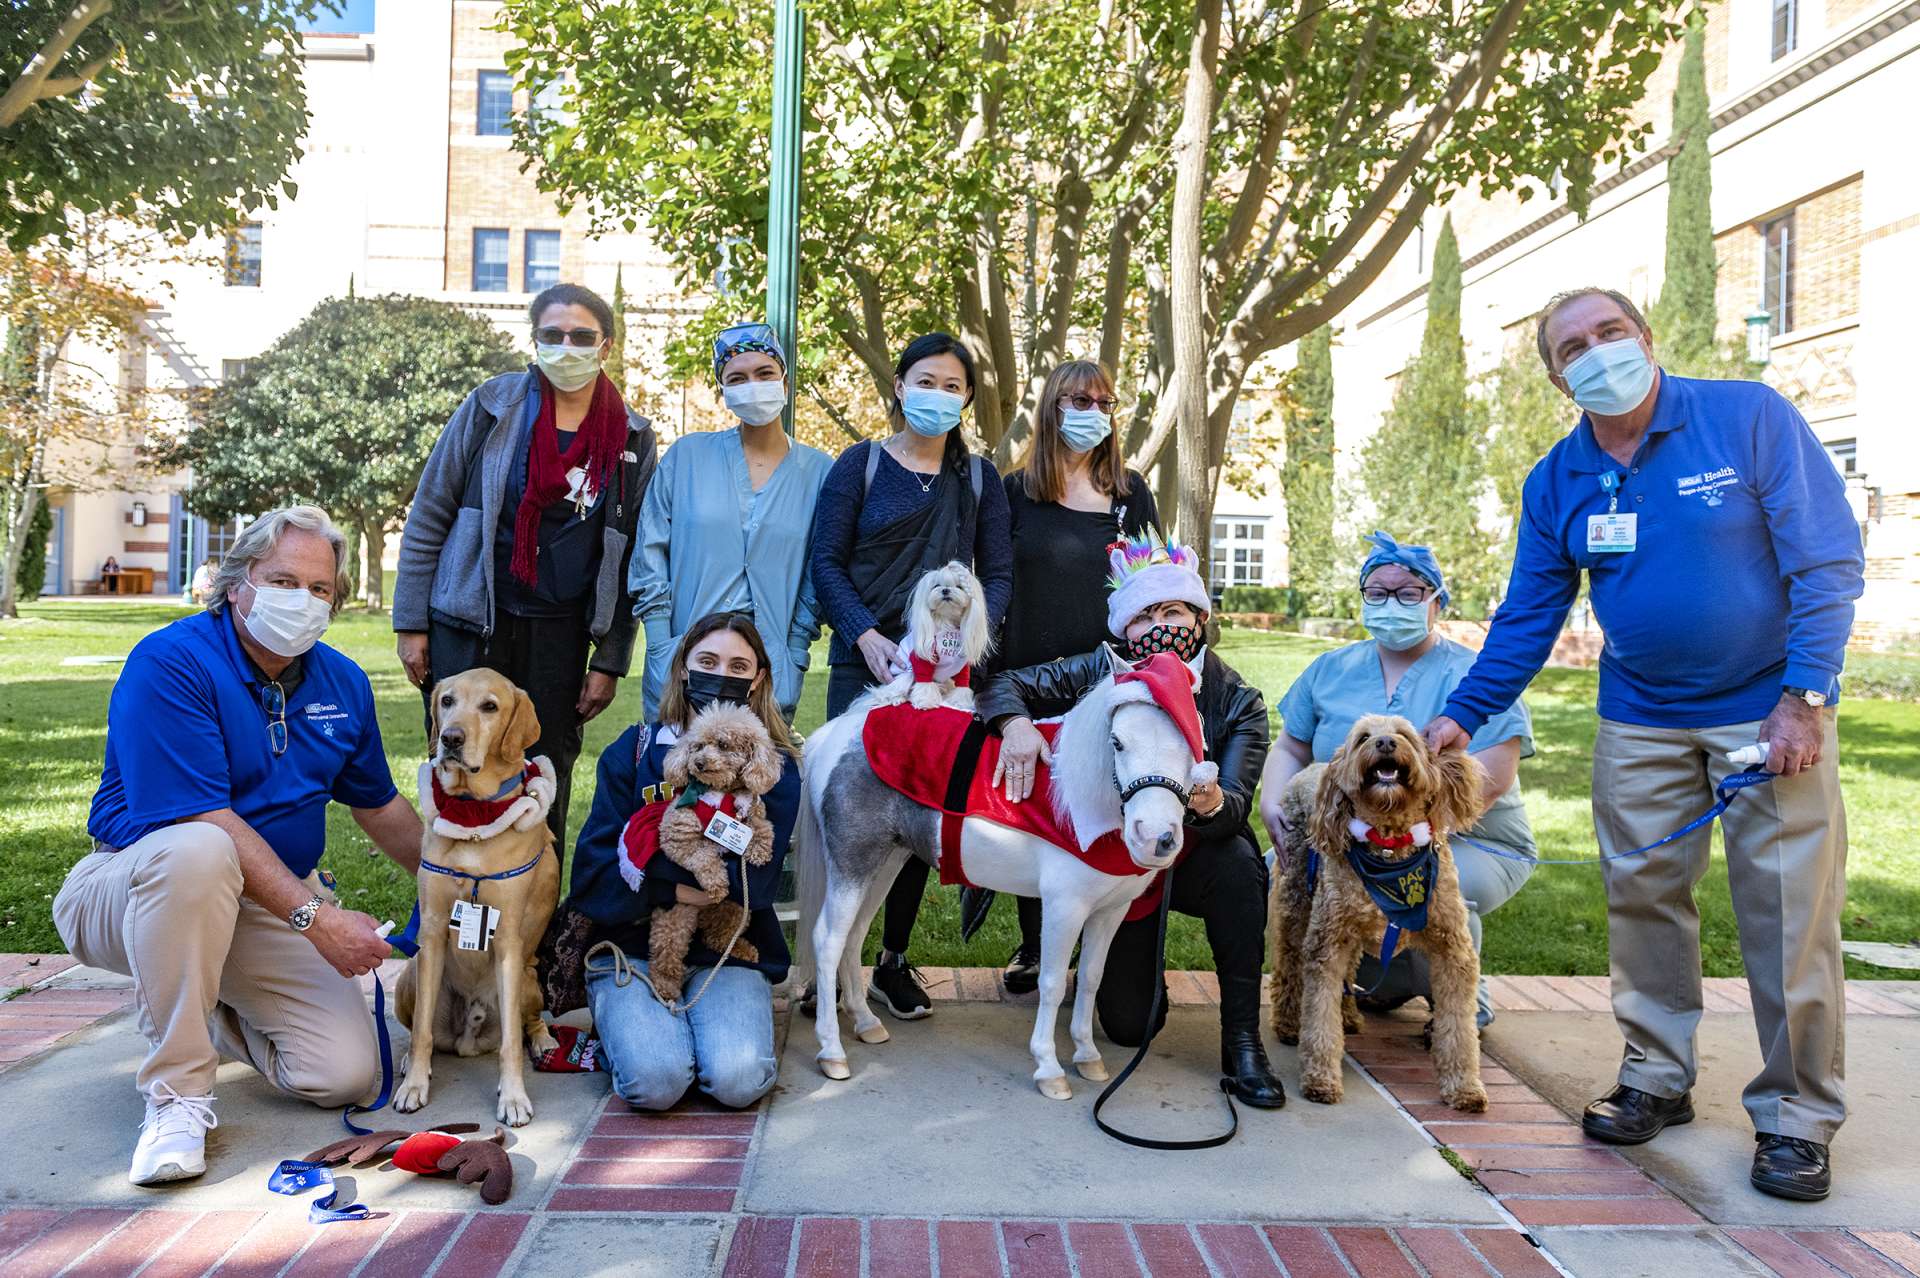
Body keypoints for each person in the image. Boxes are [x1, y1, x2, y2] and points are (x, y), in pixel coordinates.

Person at [1424, 287, 1864, 1201]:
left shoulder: (1745, 417)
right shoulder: (1558, 478)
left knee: (1788, 918)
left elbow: (1824, 559)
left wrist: (1805, 698)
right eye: (1573, 347)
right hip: (1639, 716)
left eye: (1610, 333)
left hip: (1766, 712)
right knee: (1643, 900)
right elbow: (1530, 614)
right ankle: (1658, 1076)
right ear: (1558, 377)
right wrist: (1464, 713)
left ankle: (1795, 1119)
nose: (1596, 353)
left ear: (1647, 337)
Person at [54, 507, 423, 1186]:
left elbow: (380, 805)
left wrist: (458, 881)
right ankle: (176, 1098)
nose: (303, 602)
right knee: (196, 851)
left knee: (342, 1074)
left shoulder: (341, 682)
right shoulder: (171, 662)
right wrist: (318, 919)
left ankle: (198, 997)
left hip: (260, 902)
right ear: (235, 584)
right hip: (132, 886)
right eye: (283, 580)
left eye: (320, 590)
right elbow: (201, 819)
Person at [977, 534, 1285, 1108]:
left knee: (1243, 868)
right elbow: (1004, 683)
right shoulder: (1102, 668)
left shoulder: (1238, 700)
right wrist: (1014, 725)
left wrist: (1210, 801)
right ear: (1124, 628)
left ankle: (1243, 1040)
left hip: (1195, 850)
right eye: (1144, 615)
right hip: (1116, 865)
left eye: (1173, 610)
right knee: (1128, 1024)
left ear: (1198, 616)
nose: (1160, 625)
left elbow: (1235, 809)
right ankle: (1112, 981)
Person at [393, 282, 657, 843]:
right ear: (534, 340)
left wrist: (609, 660)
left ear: (605, 345)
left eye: (581, 336)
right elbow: (431, 511)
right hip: (469, 619)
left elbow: (630, 553)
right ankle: (450, 896)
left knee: (545, 768)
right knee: (458, 757)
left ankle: (532, 916)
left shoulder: (632, 436)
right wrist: (411, 622)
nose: (567, 346)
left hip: (560, 631)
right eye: (552, 335)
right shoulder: (492, 406)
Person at [808, 331, 1013, 1019]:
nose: (938, 396)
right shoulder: (860, 465)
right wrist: (865, 636)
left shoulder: (979, 480)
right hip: (865, 667)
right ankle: (833, 965)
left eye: (953, 387)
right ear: (899, 388)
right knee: (853, 819)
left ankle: (893, 960)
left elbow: (1000, 572)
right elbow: (826, 562)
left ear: (967, 401)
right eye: (926, 381)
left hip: (944, 678)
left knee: (919, 815)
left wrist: (971, 650)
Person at [1261, 531, 1536, 1028]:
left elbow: (1492, 778)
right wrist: (1275, 805)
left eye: (1409, 593)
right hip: (1353, 834)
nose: (1393, 603)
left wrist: (1410, 835)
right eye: (1378, 593)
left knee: (1435, 889)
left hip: (1469, 838)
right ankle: (1369, 985)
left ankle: (1460, 1001)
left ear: (1436, 602)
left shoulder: (1475, 674)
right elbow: (1290, 746)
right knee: (1276, 874)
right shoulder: (1331, 668)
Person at [565, 612, 800, 1110]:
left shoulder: (773, 764)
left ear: (758, 677)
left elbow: (755, 884)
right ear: (684, 669)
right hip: (633, 944)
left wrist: (658, 867)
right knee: (656, 1083)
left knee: (738, 1081)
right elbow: (591, 874)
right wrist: (672, 889)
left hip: (727, 947)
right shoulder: (633, 753)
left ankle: (694, 1026)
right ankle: (636, 1029)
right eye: (709, 661)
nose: (723, 674)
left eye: (739, 666)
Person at [979, 358, 1161, 994]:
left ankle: (1100, 943)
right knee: (1040, 807)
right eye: (1078, 401)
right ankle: (1037, 946)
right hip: (1029, 672)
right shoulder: (1012, 492)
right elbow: (994, 581)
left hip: (1107, 674)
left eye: (1103, 403)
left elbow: (1151, 585)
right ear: (1052, 407)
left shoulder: (1130, 493)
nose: (1092, 414)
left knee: (1104, 803)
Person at [631, 322, 833, 721]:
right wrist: (662, 646)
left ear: (785, 382)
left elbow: (818, 572)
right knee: (673, 775)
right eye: (736, 378)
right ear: (722, 391)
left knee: (759, 776)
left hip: (768, 670)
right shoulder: (686, 458)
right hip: (684, 663)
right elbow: (649, 553)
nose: (752, 385)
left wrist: (793, 651)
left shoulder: (820, 472)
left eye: (764, 373)